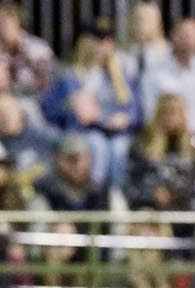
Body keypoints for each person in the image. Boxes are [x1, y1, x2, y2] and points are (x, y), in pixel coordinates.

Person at [41, 19, 140, 189]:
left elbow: (137, 109)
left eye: (108, 41)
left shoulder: (121, 74)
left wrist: (127, 118)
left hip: (117, 133)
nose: (104, 46)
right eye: (99, 41)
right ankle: (96, 195)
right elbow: (47, 109)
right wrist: (68, 106)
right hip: (82, 132)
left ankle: (116, 194)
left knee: (118, 150)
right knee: (97, 145)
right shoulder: (69, 76)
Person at [139, 17, 195, 136]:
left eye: (192, 36)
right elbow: (148, 108)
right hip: (164, 137)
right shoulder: (155, 71)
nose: (187, 41)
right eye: (183, 35)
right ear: (172, 38)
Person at [127, 93, 195, 210]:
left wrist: (174, 195)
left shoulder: (193, 146)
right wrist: (153, 193)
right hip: (149, 208)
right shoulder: (143, 143)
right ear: (159, 114)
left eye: (176, 112)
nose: (171, 117)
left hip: (183, 208)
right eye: (168, 112)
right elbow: (133, 180)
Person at [0, 1, 56, 99]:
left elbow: (51, 76)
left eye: (8, 22)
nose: (4, 27)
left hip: (39, 97)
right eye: (0, 23)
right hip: (3, 100)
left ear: (18, 22)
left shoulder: (37, 47)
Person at [119, 0, 169, 83]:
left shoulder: (168, 52)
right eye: (136, 19)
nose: (140, 25)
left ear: (157, 22)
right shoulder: (125, 52)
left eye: (145, 20)